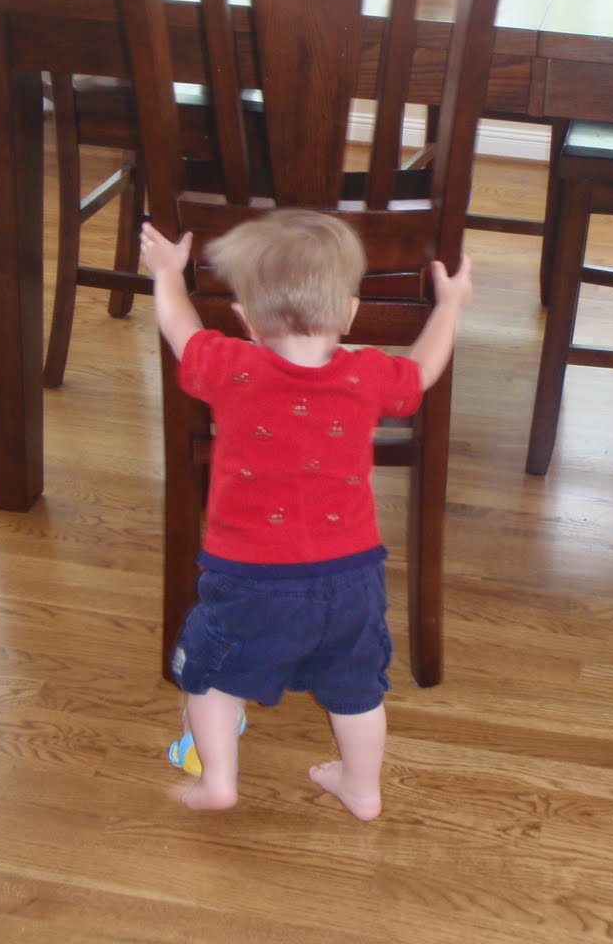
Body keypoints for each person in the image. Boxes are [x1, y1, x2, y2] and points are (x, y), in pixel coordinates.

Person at [139, 208, 473, 821]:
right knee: (356, 687)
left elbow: (177, 325)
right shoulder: (369, 375)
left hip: (249, 577)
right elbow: (423, 371)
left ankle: (218, 782)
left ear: (244, 318)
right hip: (352, 576)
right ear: (348, 313)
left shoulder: (231, 367)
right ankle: (363, 788)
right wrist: (449, 305)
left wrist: (167, 272)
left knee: (212, 678)